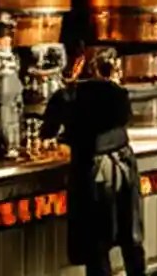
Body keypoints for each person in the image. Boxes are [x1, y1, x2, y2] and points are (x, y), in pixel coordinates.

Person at [40, 49, 146, 276]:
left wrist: (64, 137)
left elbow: (46, 132)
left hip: (91, 170)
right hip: (123, 165)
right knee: (131, 237)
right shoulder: (118, 94)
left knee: (96, 244)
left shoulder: (66, 96)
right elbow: (125, 120)